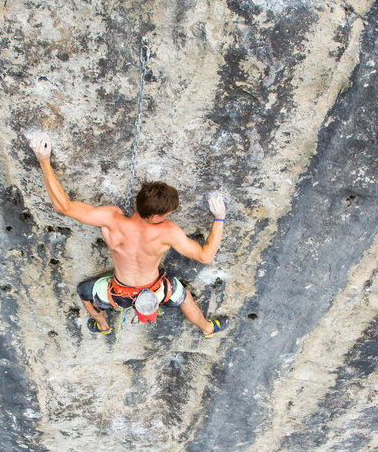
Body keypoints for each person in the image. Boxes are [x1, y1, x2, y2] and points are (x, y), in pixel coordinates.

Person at [29, 135, 231, 337]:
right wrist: (219, 218)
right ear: (155, 216)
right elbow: (206, 256)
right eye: (167, 213)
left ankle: (103, 326)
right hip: (156, 291)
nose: (169, 216)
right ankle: (207, 328)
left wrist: (44, 161)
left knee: (85, 291)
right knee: (184, 297)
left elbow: (63, 207)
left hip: (118, 294)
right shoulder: (167, 231)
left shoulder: (111, 219)